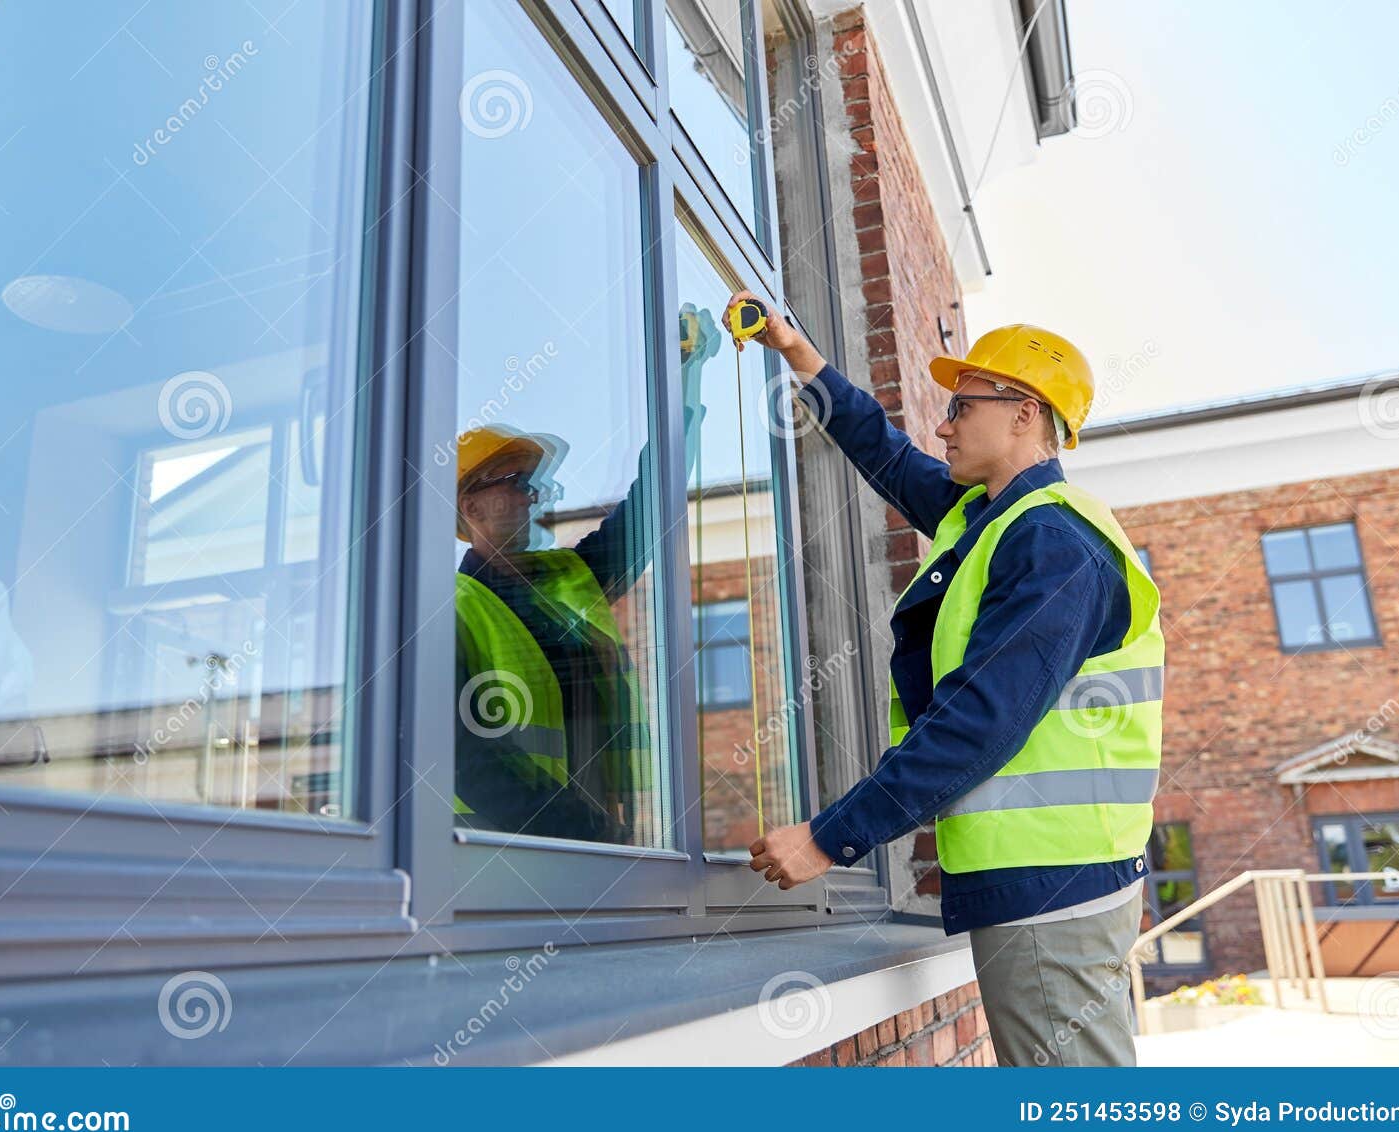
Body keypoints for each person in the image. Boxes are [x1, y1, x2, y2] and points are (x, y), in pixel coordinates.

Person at [733, 292, 1164, 1067]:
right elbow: (891, 456)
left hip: (1055, 888)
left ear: (1025, 413)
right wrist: (799, 354)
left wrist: (832, 837)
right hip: (1050, 881)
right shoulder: (992, 518)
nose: (943, 425)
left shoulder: (1056, 543)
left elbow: (979, 719)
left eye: (962, 407)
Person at [452, 308, 717, 845]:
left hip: (598, 837)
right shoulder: (449, 610)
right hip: (505, 848)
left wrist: (681, 381)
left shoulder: (574, 574)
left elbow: (655, 503)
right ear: (470, 506)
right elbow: (464, 760)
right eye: (515, 481)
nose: (533, 494)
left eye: (534, 481)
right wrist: (586, 831)